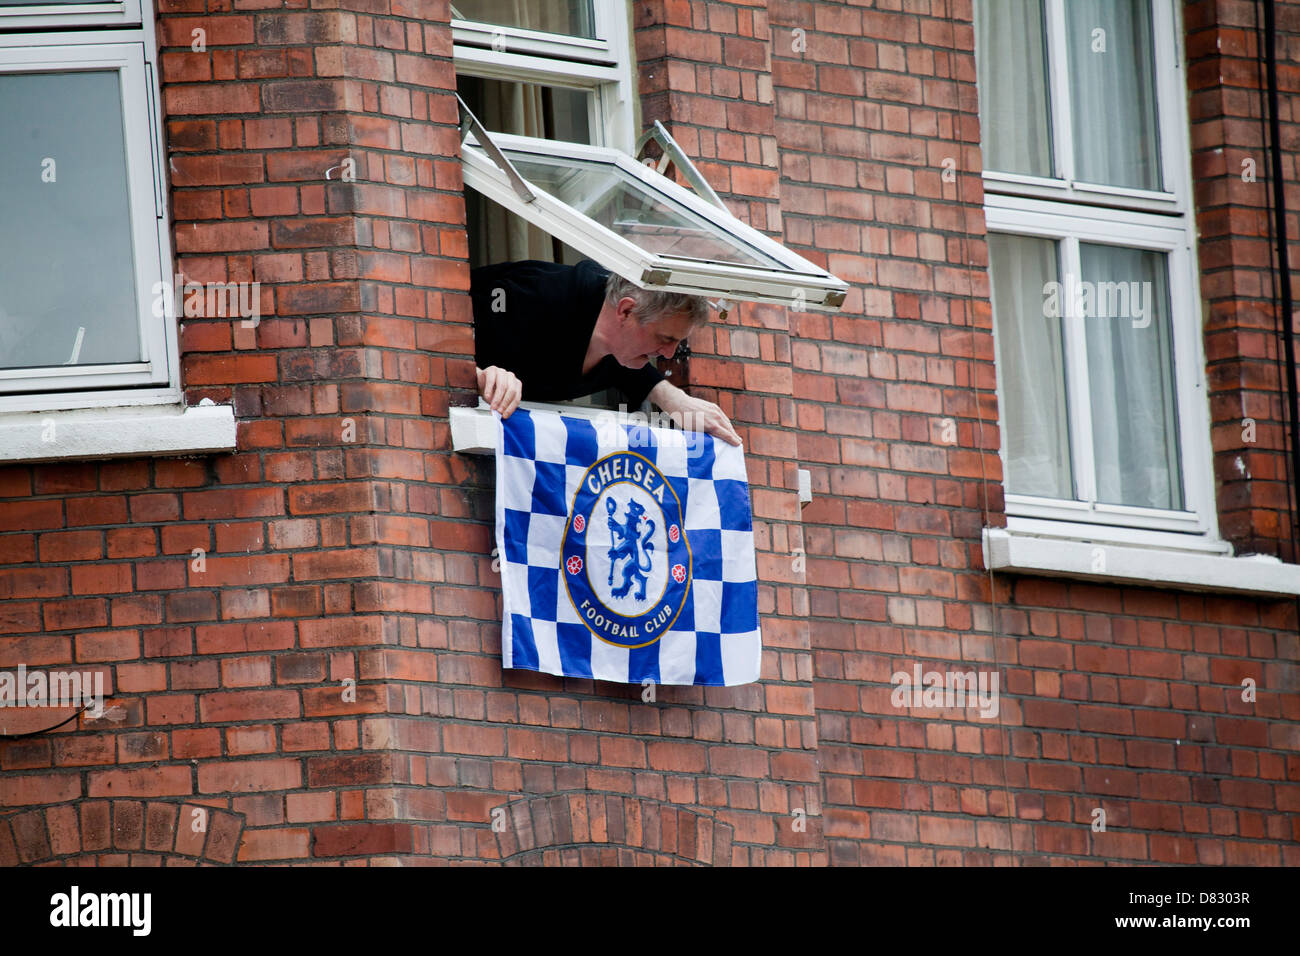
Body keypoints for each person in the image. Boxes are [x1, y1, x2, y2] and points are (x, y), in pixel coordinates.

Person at [470, 259, 741, 445]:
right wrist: (477, 374)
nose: (669, 354)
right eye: (665, 338)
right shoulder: (531, 296)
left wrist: (673, 399)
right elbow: (435, 336)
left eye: (677, 343)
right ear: (625, 311)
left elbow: (630, 371)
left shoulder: (621, 345)